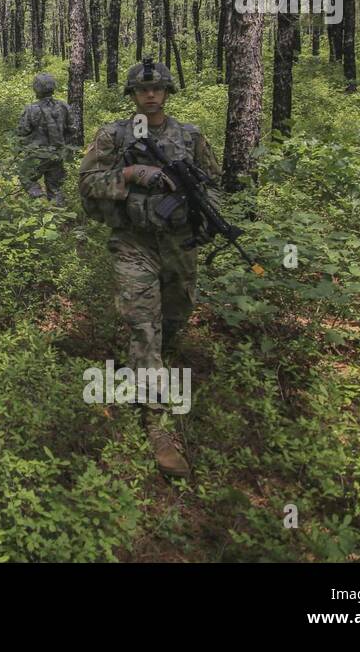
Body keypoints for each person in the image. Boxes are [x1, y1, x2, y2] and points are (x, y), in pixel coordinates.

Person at [77, 58, 223, 479]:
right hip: (133, 244)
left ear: (167, 91)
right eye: (143, 90)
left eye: (158, 88)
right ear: (133, 95)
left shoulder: (190, 136)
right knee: (143, 324)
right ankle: (155, 421)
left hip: (179, 245)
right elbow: (87, 184)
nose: (151, 95)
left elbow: (212, 182)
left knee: (176, 317)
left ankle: (149, 361)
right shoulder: (113, 135)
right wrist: (130, 173)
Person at [16, 72, 77, 205]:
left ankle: (39, 203)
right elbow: (72, 129)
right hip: (58, 154)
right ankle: (58, 215)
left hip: (37, 156)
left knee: (26, 176)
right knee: (55, 188)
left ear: (36, 88)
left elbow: (22, 131)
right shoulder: (64, 106)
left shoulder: (31, 109)